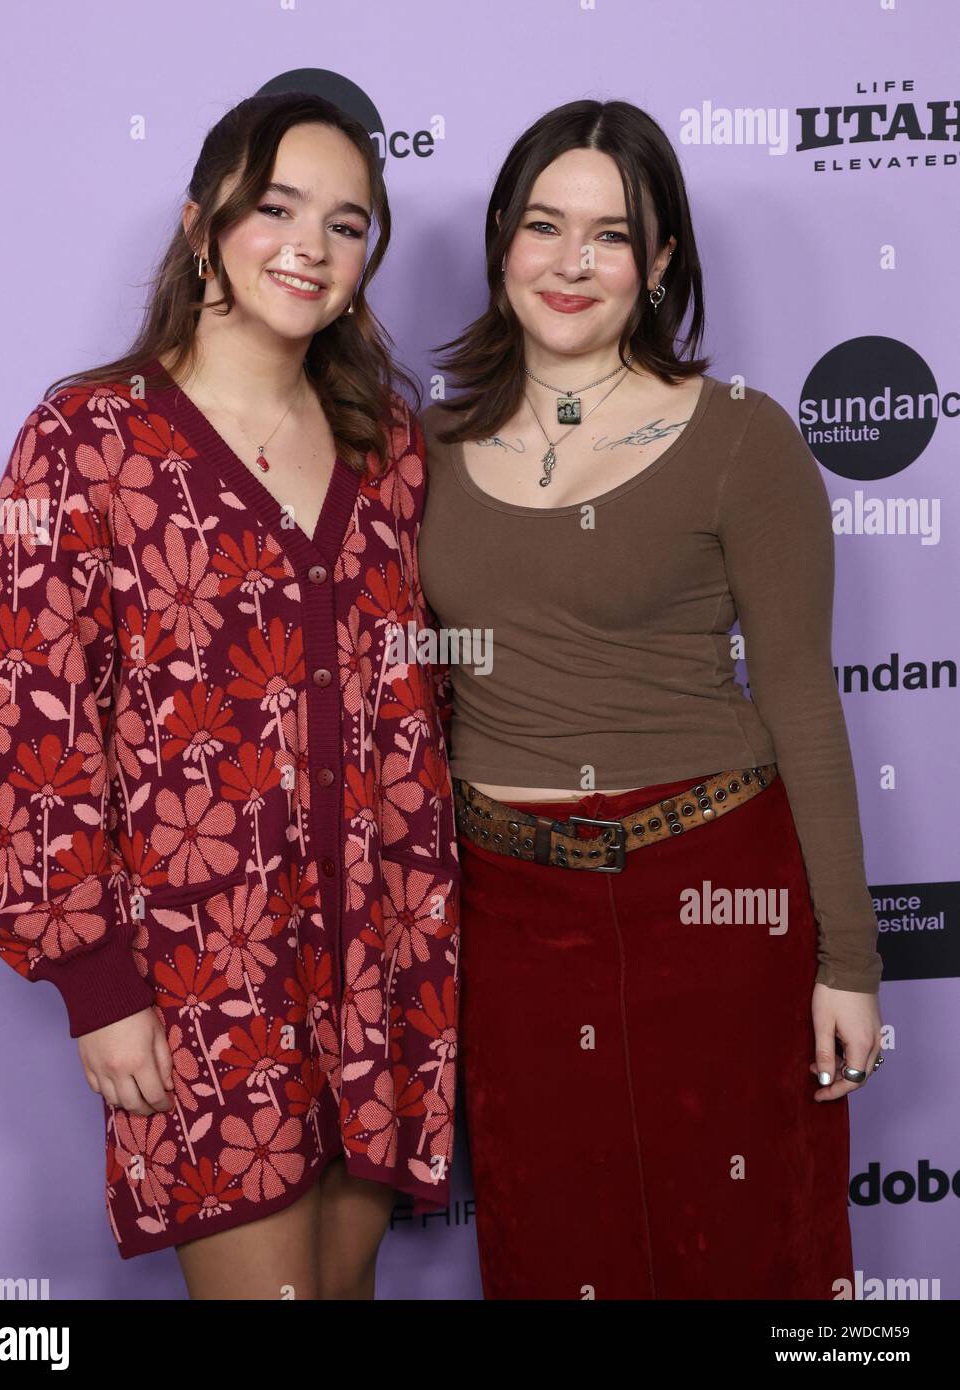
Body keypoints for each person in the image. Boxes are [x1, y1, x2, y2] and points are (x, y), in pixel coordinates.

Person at [0, 91, 460, 1300]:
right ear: (201, 226)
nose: (310, 245)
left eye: (348, 224)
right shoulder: (86, 437)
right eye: (274, 207)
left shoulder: (384, 441)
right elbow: (25, 721)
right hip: (196, 969)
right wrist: (96, 983)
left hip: (380, 953)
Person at [418, 98, 884, 1300]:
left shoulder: (741, 440)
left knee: (748, 1252)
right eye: (542, 226)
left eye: (612, 235)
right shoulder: (422, 449)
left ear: (662, 260)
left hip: (713, 899)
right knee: (553, 1248)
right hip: (510, 918)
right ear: (499, 244)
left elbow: (802, 700)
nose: (571, 264)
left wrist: (850, 961)